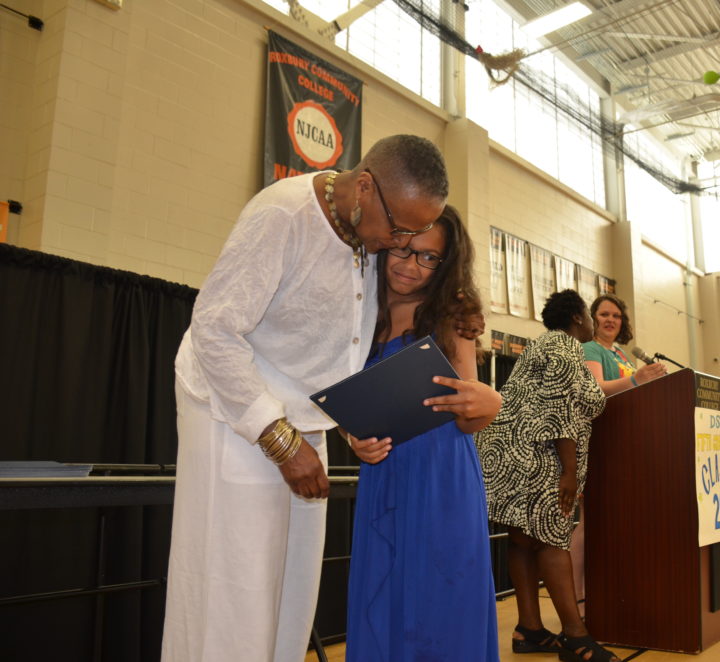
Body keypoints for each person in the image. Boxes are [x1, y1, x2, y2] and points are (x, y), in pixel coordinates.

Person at [161, 135, 484, 662]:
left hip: (302, 422)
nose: (399, 243)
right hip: (234, 411)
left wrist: (344, 423)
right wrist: (280, 440)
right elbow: (214, 330)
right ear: (364, 187)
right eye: (398, 229)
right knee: (235, 588)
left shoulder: (363, 230)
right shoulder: (283, 215)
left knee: (291, 593)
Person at [343, 206, 501, 662]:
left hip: (442, 476)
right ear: (385, 240)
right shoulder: (358, 312)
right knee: (384, 596)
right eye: (404, 249)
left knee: (443, 601)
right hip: (385, 473)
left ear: (446, 264)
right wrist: (352, 437)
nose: (411, 266)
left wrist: (490, 403)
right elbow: (342, 402)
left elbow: (469, 414)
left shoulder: (452, 316)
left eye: (429, 258)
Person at [476, 290, 618, 662]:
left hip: (504, 453)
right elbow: (559, 407)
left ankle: (530, 629)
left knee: (522, 541)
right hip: (535, 457)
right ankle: (575, 635)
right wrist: (569, 472)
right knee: (553, 542)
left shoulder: (541, 346)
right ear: (576, 318)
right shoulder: (566, 344)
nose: (590, 323)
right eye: (588, 316)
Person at [575, 294, 667, 608]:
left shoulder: (622, 355)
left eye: (616, 315)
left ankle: (610, 591)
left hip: (625, 444)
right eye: (604, 314)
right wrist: (637, 380)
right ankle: (579, 597)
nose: (611, 320)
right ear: (593, 318)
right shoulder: (591, 349)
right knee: (591, 523)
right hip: (599, 442)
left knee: (616, 522)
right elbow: (594, 389)